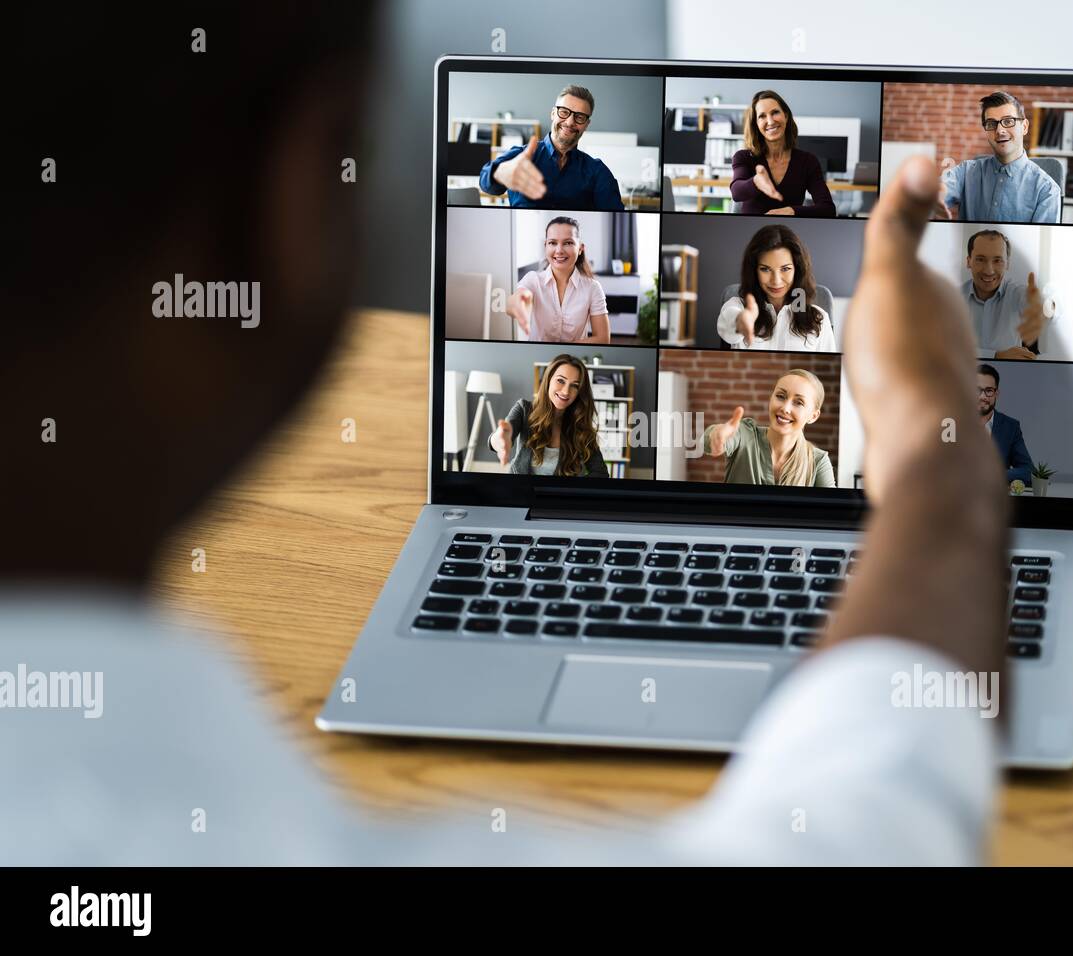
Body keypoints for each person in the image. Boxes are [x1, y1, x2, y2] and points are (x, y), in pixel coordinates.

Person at [10, 0, 1006, 867]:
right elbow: (872, 825)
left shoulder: (613, 210)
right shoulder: (537, 252)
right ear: (296, 192)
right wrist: (932, 438)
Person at [479, 85, 623, 211]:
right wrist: (499, 174)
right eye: (564, 112)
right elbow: (486, 183)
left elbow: (615, 216)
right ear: (553, 113)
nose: (570, 122)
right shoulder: (521, 155)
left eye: (579, 117)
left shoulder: (597, 172)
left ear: (586, 124)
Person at [935, 90, 1062, 224]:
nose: (1000, 131)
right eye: (991, 123)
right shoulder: (966, 172)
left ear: (1024, 127)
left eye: (1008, 121)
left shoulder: (1047, 190)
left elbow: (1042, 243)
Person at [701, 371, 835, 487]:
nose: (785, 408)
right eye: (780, 396)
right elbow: (710, 441)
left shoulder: (818, 461)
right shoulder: (746, 434)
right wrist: (717, 436)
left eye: (798, 402)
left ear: (813, 416)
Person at [717, 224, 837, 352]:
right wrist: (741, 322)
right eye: (765, 269)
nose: (776, 281)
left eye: (785, 269)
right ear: (754, 271)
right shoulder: (736, 305)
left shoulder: (819, 318)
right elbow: (728, 325)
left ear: (798, 270)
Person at [489, 355, 609, 477]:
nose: (566, 391)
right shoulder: (524, 409)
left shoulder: (581, 424)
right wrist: (501, 440)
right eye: (560, 381)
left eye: (575, 385)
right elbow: (498, 439)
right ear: (548, 379)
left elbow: (601, 473)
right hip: (520, 491)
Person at [729, 90, 835, 218]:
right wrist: (756, 182)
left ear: (786, 115)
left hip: (788, 232)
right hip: (752, 232)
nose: (770, 121)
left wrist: (793, 211)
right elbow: (736, 193)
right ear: (756, 125)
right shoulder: (744, 157)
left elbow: (828, 209)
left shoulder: (808, 161)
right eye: (762, 116)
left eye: (775, 112)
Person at [505, 217, 610, 344]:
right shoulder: (533, 279)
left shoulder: (593, 288)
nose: (559, 250)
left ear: (581, 248)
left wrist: (564, 351)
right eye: (553, 243)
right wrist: (517, 303)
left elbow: (603, 339)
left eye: (568, 243)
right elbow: (515, 300)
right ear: (545, 246)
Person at [962, 229, 1049, 359]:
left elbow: (1044, 306)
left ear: (1007, 263)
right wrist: (997, 356)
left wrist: (1046, 307)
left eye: (997, 260)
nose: (989, 270)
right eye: (980, 259)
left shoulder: (1018, 293)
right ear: (969, 261)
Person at [977, 364, 1033, 485]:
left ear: (997, 394)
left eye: (989, 391)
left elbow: (1028, 471)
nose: (982, 396)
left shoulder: (1010, 427)